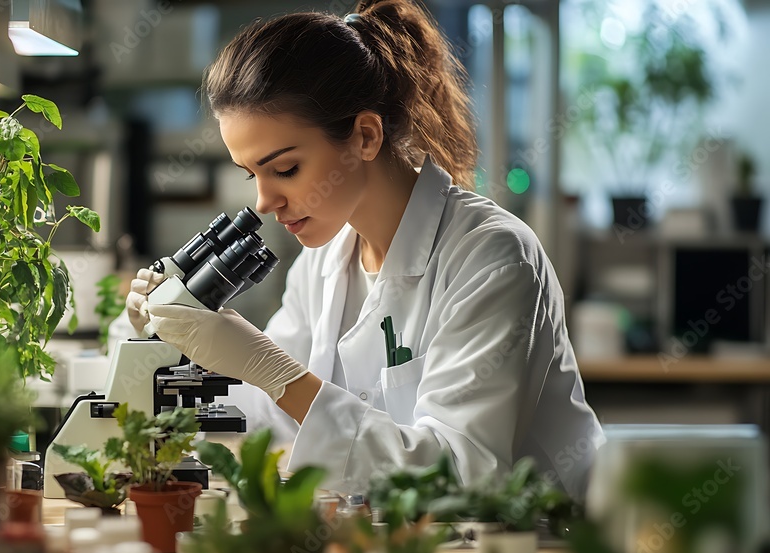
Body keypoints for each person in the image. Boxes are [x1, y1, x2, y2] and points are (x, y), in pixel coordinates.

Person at [124, 0, 605, 499]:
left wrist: (274, 370)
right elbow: (275, 421)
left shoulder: (491, 257)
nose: (264, 203)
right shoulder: (324, 261)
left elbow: (463, 474)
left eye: (285, 169)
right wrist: (175, 350)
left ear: (366, 136)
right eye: (252, 175)